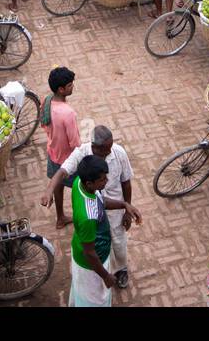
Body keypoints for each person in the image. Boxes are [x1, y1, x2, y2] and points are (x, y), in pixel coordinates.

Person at [43, 125, 136, 289]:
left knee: (118, 241)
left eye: (110, 148)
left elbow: (126, 182)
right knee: (96, 243)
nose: (109, 152)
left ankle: (121, 268)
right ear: (94, 148)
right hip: (99, 210)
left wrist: (126, 209)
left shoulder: (119, 153)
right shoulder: (82, 153)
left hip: (114, 208)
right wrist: (49, 190)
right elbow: (63, 171)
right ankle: (103, 271)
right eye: (105, 150)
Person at [67, 153, 142, 307]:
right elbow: (89, 253)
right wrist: (106, 275)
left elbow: (101, 201)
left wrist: (124, 205)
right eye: (102, 180)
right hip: (90, 265)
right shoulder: (87, 216)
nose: (106, 181)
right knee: (94, 301)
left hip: (89, 252)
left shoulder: (79, 183)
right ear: (89, 183)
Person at [41, 67, 80, 180]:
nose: (72, 86)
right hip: (68, 159)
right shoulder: (68, 113)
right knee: (77, 185)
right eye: (69, 85)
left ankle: (57, 199)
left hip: (53, 152)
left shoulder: (47, 100)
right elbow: (75, 143)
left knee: (56, 182)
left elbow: (44, 123)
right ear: (61, 90)